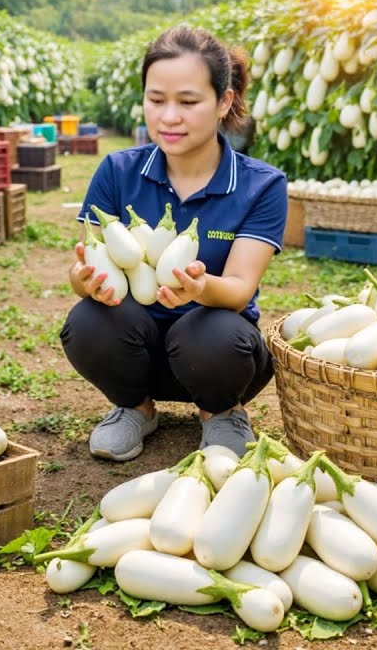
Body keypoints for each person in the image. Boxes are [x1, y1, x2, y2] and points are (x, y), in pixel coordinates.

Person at [60, 26, 288, 461]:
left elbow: (240, 289)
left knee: (216, 332)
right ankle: (135, 407)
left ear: (224, 102)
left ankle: (221, 412)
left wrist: (203, 289)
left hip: (216, 357)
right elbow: (87, 269)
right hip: (136, 350)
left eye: (188, 101)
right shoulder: (116, 171)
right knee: (88, 321)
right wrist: (83, 280)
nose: (168, 117)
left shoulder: (262, 185)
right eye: (156, 99)